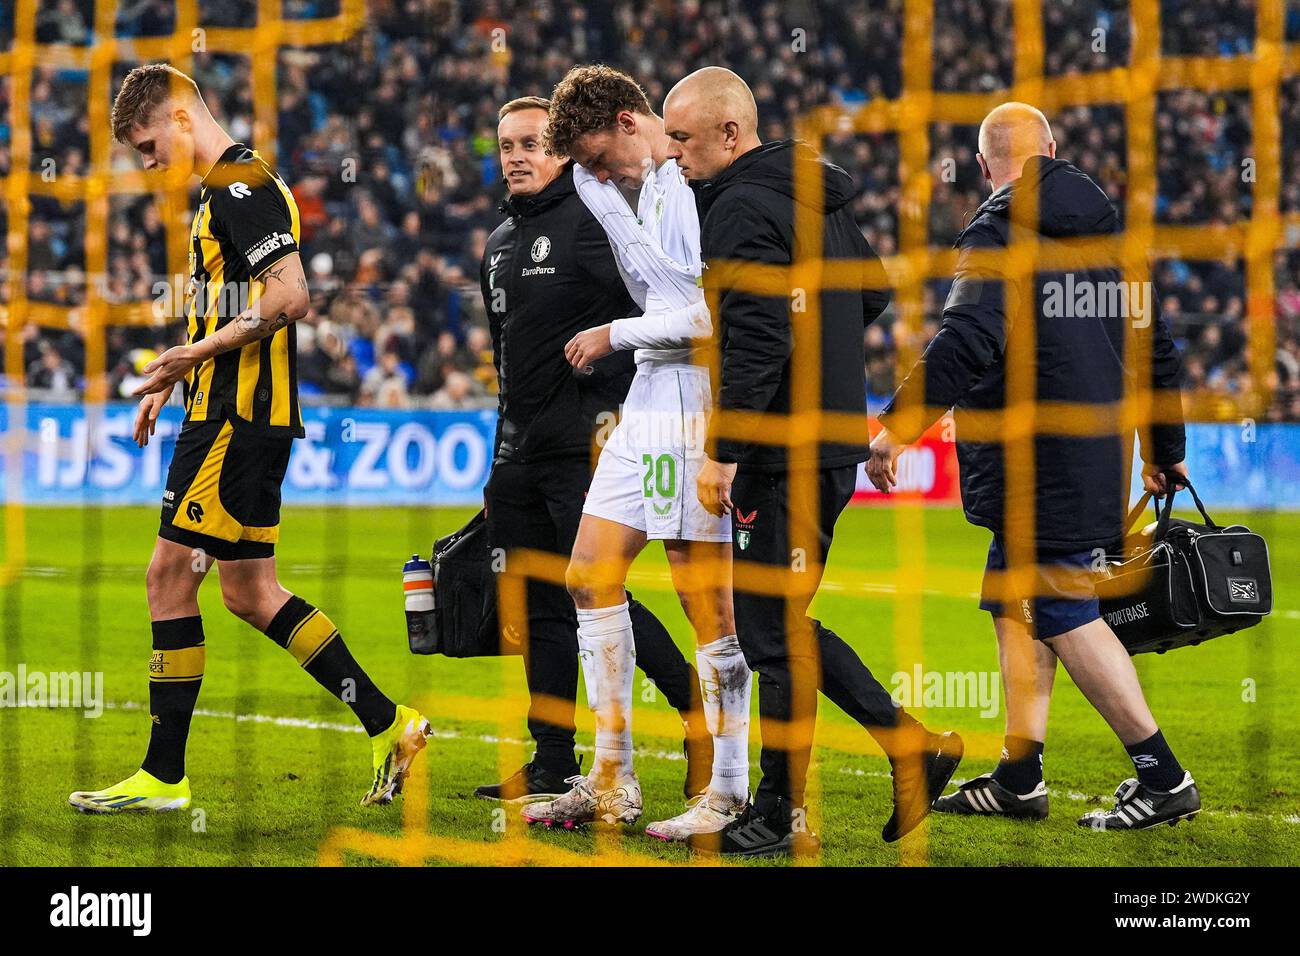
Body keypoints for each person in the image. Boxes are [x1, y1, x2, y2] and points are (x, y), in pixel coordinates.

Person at [70, 64, 430, 815]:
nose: (147, 162)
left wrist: (195, 359)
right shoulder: (228, 189)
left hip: (235, 419)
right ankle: (390, 723)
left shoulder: (239, 187)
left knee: (169, 577)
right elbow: (231, 302)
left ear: (176, 117)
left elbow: (291, 296)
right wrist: (176, 372)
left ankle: (164, 777)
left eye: (145, 143)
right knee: (249, 591)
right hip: (231, 412)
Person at [868, 102, 1200, 830]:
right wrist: (1164, 451)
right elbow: (1159, 352)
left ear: (985, 166)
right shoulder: (1116, 238)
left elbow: (966, 340)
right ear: (1052, 149)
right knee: (1014, 605)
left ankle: (1163, 775)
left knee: (1059, 609)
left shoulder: (998, 231)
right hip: (1091, 455)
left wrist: (896, 426)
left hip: (1034, 465)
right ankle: (1020, 777)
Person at [666, 67, 964, 856]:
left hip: (781, 450)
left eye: (683, 138)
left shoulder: (738, 206)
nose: (673, 155)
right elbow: (871, 294)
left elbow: (762, 336)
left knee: (770, 632)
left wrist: (726, 452)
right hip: (826, 443)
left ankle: (791, 802)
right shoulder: (814, 199)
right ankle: (901, 751)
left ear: (731, 134)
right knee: (780, 627)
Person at [516, 65, 751, 841]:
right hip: (650, 394)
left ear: (627, 121)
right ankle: (612, 777)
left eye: (592, 156)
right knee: (588, 573)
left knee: (704, 601)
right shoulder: (603, 183)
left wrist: (615, 335)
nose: (588, 176)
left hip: (695, 397)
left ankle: (730, 788)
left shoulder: (691, 187)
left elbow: (710, 317)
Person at [474, 96, 713, 805]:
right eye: (506, 145)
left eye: (530, 144)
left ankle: (696, 718)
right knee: (540, 606)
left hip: (589, 441)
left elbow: (657, 308)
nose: (516, 156)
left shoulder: (594, 220)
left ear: (560, 153)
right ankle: (552, 759)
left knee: (600, 588)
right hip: (517, 451)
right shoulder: (498, 243)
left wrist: (612, 391)